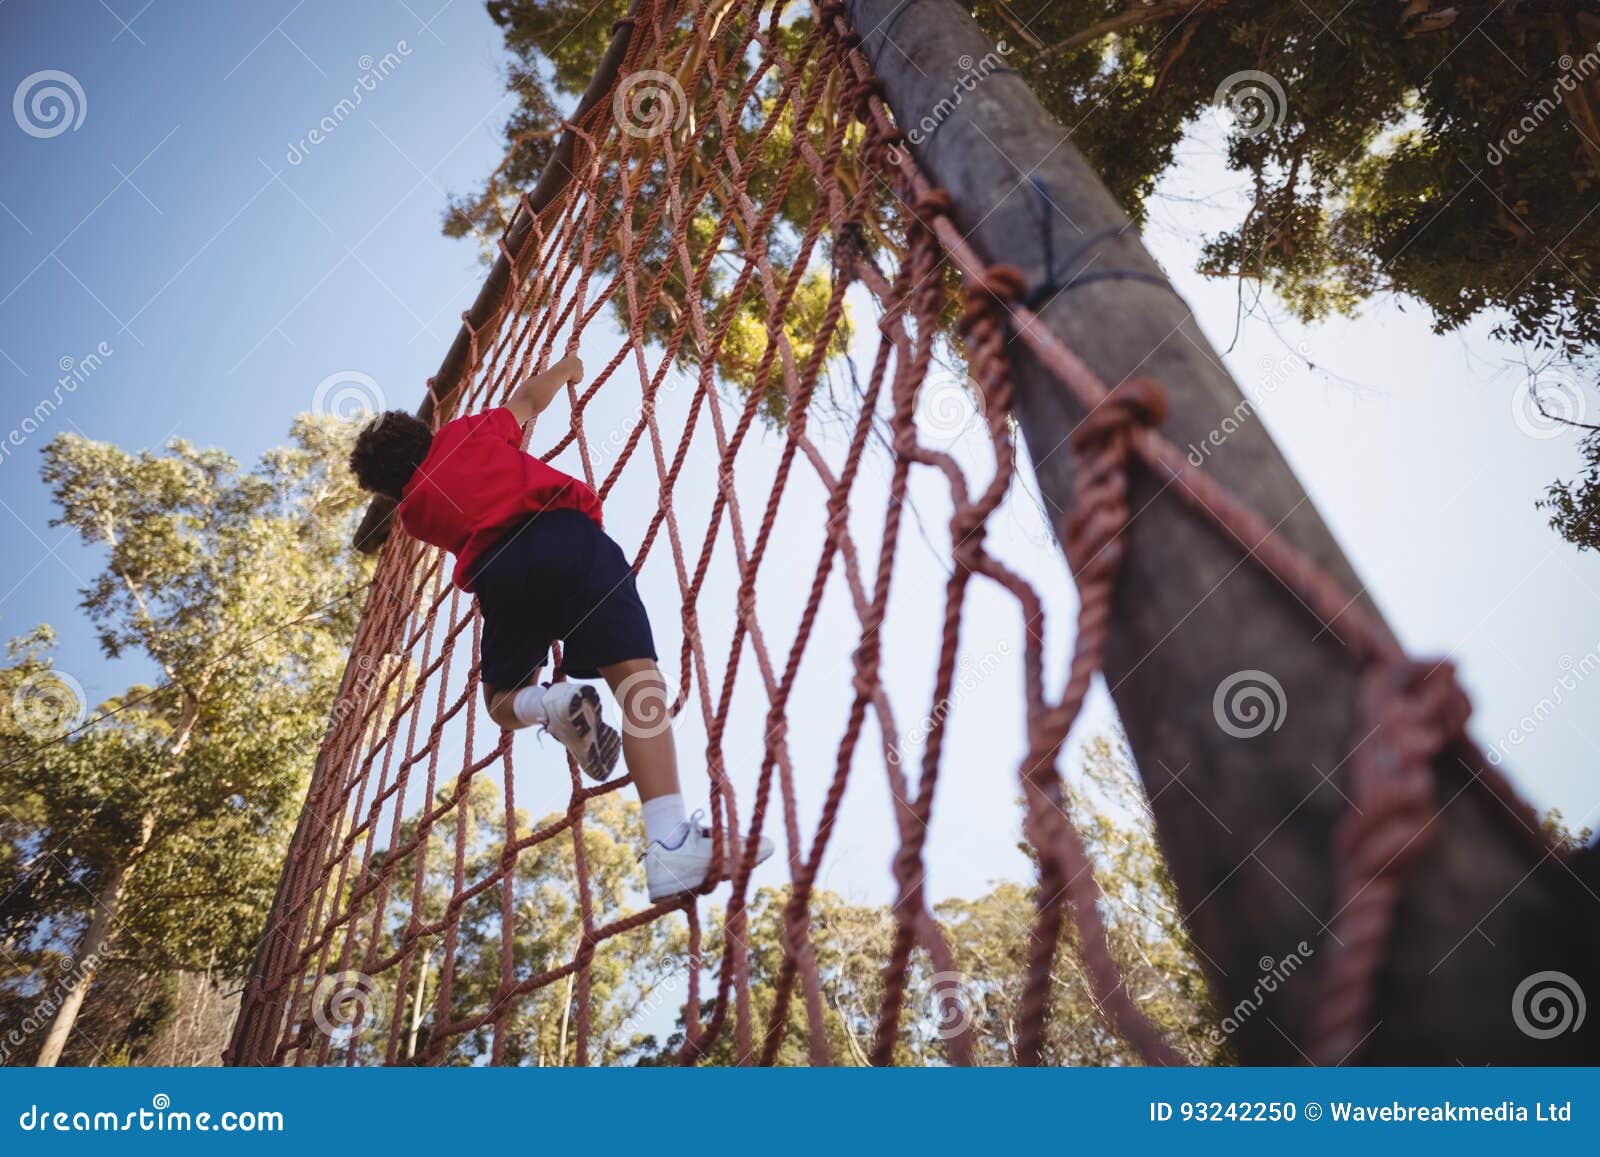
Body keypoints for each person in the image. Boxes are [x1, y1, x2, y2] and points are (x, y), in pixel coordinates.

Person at [347, 354, 771, 902]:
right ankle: (668, 842)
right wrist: (569, 368)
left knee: (502, 700)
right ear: (424, 431)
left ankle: (547, 705)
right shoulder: (463, 432)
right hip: (572, 541)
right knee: (639, 683)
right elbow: (527, 399)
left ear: (389, 489)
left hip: (501, 575)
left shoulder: (411, 514)